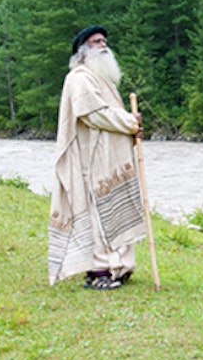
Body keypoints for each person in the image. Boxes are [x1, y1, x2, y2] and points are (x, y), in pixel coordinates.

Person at [48, 25, 148, 290]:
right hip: (91, 160)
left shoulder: (103, 80)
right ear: (83, 51)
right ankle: (99, 270)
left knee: (116, 210)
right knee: (97, 213)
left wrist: (132, 131)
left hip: (111, 160)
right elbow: (94, 114)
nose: (103, 45)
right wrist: (129, 122)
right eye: (96, 42)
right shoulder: (79, 78)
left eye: (104, 41)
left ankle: (120, 267)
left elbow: (111, 118)